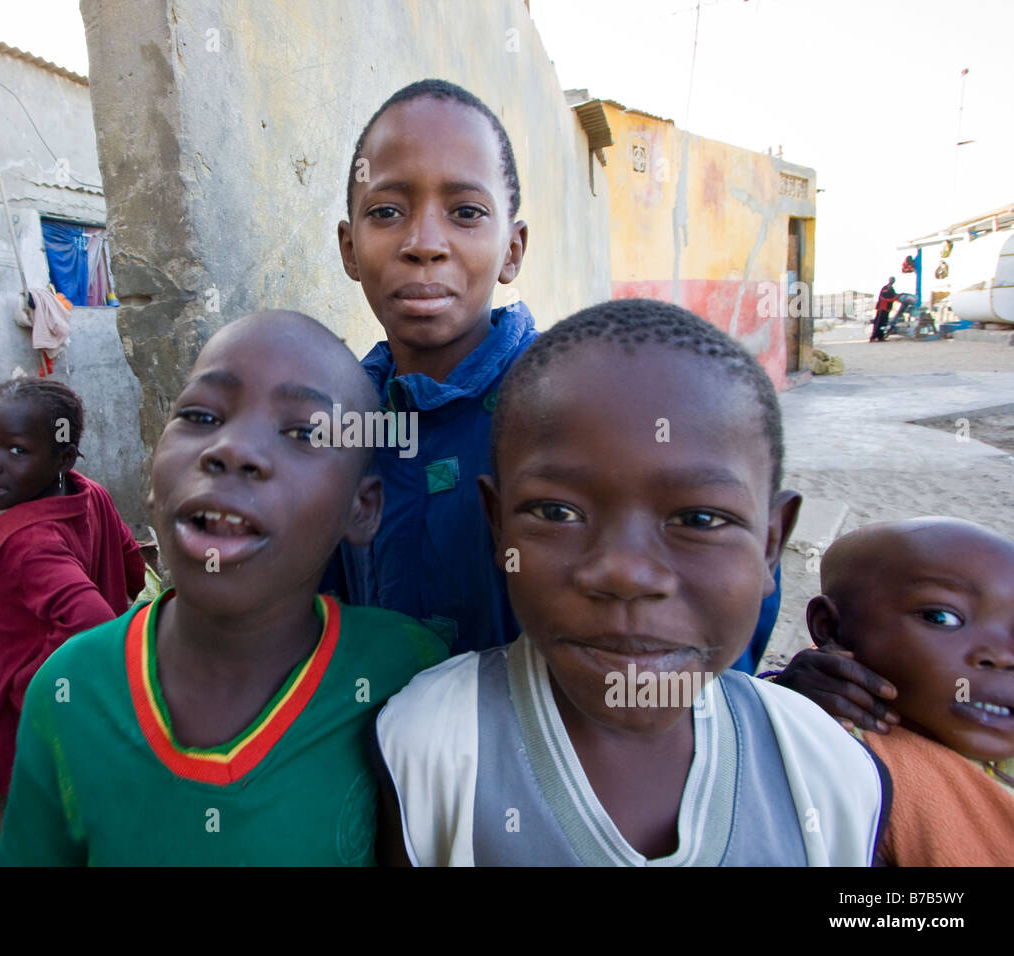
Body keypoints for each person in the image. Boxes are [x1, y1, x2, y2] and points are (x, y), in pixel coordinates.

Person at [375, 299, 889, 866]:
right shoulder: (431, 746)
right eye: (557, 512)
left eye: (698, 520)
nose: (624, 574)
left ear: (771, 544)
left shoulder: (824, 769)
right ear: (499, 527)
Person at [330, 78, 784, 669]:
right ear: (348, 248)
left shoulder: (582, 404)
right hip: (375, 751)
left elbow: (712, 568)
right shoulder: (338, 423)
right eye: (387, 212)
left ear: (513, 250)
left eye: (466, 212)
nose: (424, 243)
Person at [0, 311, 448, 865]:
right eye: (201, 415)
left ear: (361, 508)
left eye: (304, 432)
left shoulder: (406, 671)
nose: (232, 449)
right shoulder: (67, 691)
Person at [0, 377, 147, 801]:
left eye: (17, 450)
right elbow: (134, 567)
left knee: (57, 802)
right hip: (98, 691)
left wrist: (27, 683)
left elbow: (90, 620)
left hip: (55, 703)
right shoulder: (90, 494)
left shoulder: (27, 542)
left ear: (63, 458)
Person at [807, 517, 1013, 865]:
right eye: (942, 618)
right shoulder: (829, 761)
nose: (1004, 656)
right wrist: (793, 704)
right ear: (830, 627)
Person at [870, 277, 897, 342]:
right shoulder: (886, 288)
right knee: (879, 322)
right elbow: (884, 297)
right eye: (891, 280)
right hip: (882, 308)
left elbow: (893, 296)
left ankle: (880, 337)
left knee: (883, 323)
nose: (892, 281)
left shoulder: (890, 288)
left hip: (885, 308)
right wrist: (894, 298)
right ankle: (874, 336)